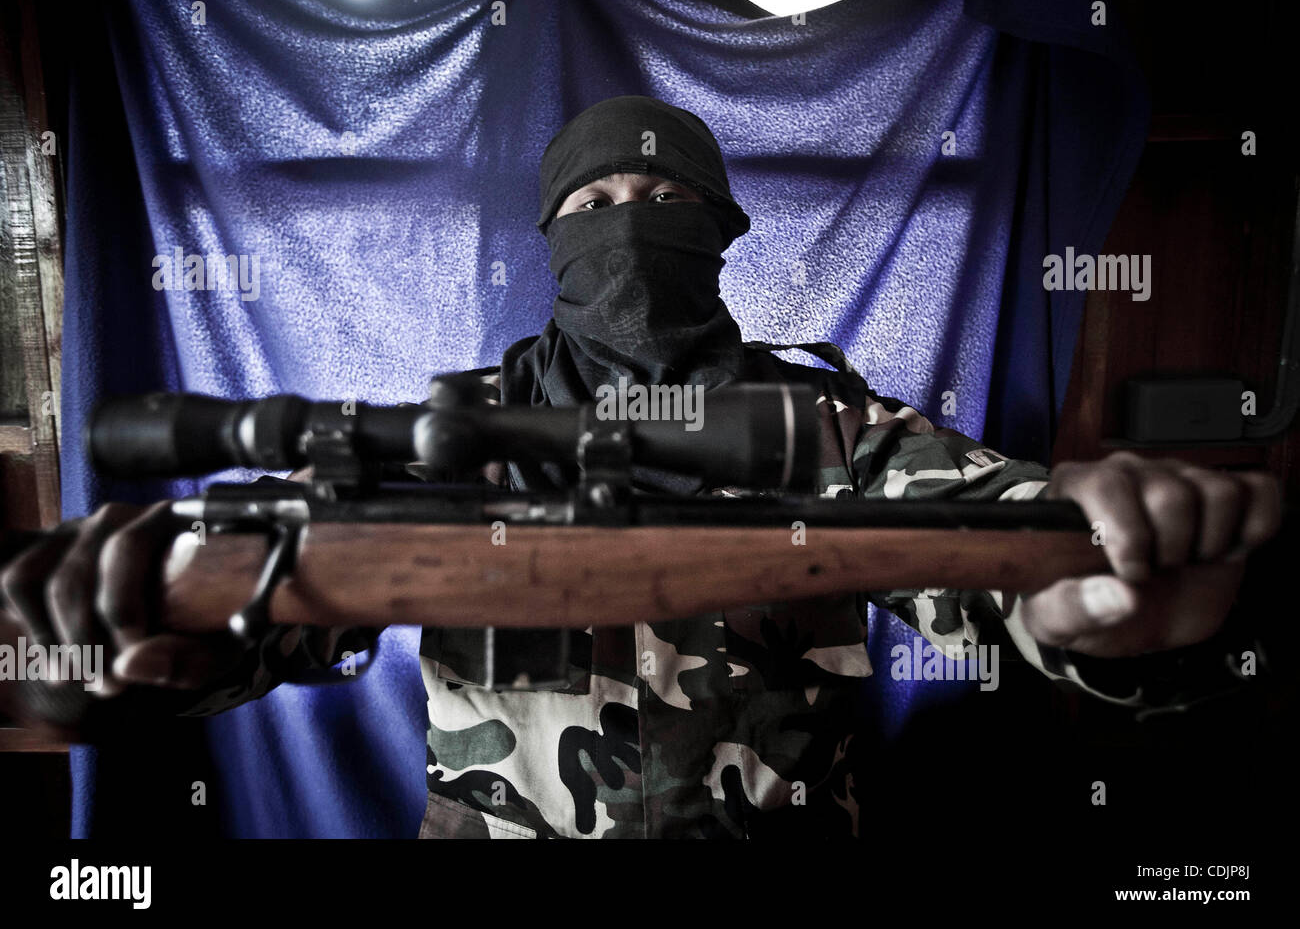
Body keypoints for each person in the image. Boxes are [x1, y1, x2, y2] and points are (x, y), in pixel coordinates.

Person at [0, 96, 1281, 839]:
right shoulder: (446, 446)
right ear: (551, 238)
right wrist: (135, 641)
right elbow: (262, 613)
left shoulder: (821, 430)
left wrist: (1104, 604)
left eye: (663, 201)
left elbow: (1005, 556)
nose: (630, 224)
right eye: (595, 202)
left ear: (720, 234)